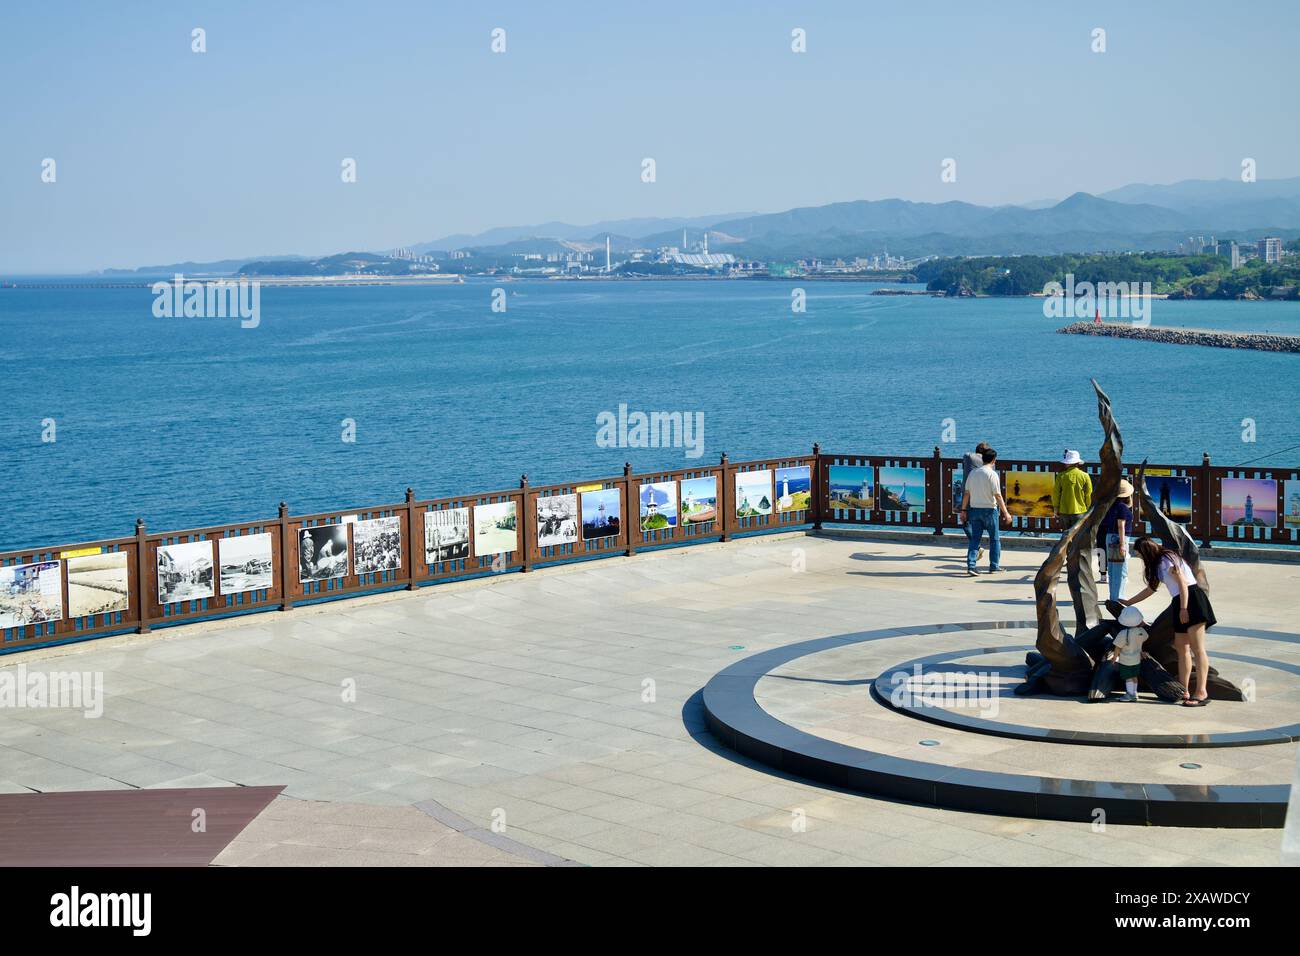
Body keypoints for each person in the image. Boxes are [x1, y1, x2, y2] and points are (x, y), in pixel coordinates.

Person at [1120, 537, 1218, 706]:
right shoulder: (1158, 565)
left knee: (1197, 648)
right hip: (1179, 602)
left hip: (1191, 599)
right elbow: (1150, 589)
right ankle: (1184, 689)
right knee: (1182, 648)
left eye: (1140, 554)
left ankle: (1201, 691)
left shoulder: (1168, 559)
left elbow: (1183, 584)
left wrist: (1183, 609)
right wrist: (1129, 602)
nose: (1140, 557)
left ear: (1146, 551)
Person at [958, 447, 1012, 577]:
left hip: (974, 510)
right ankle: (994, 566)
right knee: (994, 539)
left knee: (975, 539)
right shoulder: (992, 474)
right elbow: (997, 495)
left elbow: (966, 494)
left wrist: (963, 510)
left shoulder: (973, 473)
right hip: (990, 511)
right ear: (994, 460)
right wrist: (1006, 513)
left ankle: (971, 565)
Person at [1097, 478, 1135, 602]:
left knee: (1113, 570)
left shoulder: (1110, 506)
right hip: (1119, 538)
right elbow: (1121, 526)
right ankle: (1119, 597)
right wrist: (1123, 544)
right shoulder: (1122, 508)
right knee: (1122, 571)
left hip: (1109, 537)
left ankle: (1113, 596)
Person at [1106, 605, 1148, 702]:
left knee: (1128, 677)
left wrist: (1114, 658)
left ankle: (1129, 694)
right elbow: (1145, 638)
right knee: (1134, 676)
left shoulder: (1123, 633)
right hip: (1137, 659)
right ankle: (1135, 693)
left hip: (1126, 660)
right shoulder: (1141, 632)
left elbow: (1117, 647)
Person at [960, 442, 991, 562]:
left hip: (968, 495)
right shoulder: (988, 464)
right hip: (982, 496)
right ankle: (975, 549)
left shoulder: (969, 457)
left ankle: (976, 548)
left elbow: (966, 454)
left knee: (965, 522)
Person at [1051, 449, 1093, 532]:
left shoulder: (1061, 476)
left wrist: (1056, 508)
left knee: (1066, 535)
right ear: (1078, 463)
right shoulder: (1085, 476)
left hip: (1064, 511)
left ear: (1067, 463)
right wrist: (1088, 508)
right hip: (1080, 510)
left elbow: (1056, 494)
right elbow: (1088, 494)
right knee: (1077, 536)